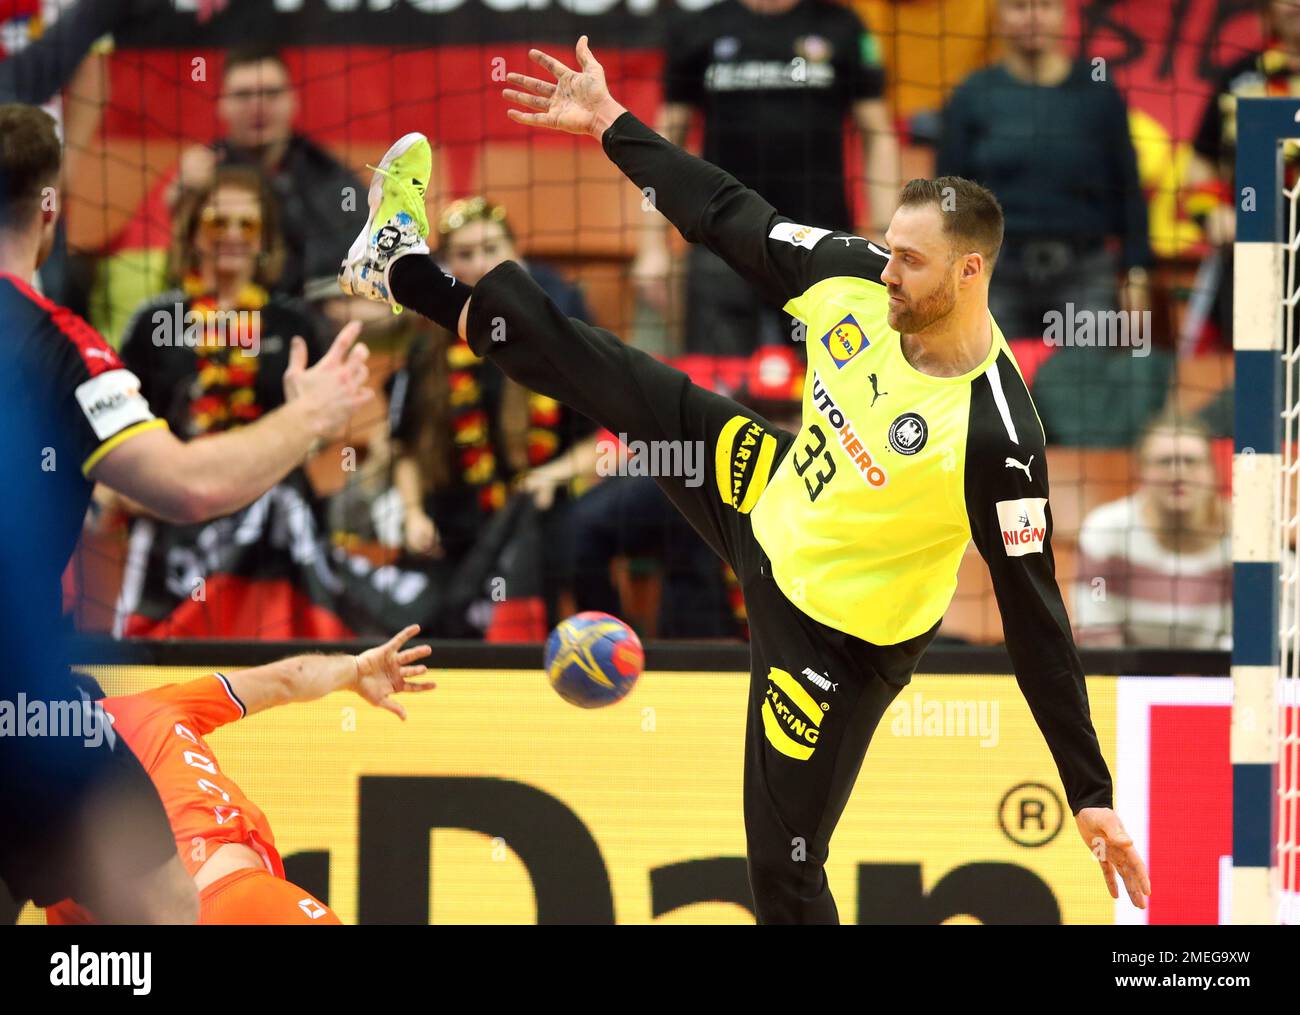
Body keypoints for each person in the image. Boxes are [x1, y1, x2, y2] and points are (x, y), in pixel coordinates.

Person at [336, 38, 1151, 924]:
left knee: (784, 869)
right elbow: (727, 214)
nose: (886, 270)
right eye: (888, 248)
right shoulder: (854, 278)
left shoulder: (998, 434)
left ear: (970, 271)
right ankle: (399, 266)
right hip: (768, 494)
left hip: (837, 638)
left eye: (910, 262)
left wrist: (1088, 787)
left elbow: (1036, 617)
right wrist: (612, 123)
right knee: (603, 369)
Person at [0, 101, 369, 923]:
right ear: (49, 207)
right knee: (168, 913)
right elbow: (188, 484)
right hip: (19, 701)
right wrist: (314, 415)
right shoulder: (62, 344)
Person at [42, 625, 432, 925]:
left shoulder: (45, 799)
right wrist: (355, 668)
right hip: (239, 894)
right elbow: (288, 678)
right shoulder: (153, 706)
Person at [635, 0, 898, 354]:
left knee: (829, 386)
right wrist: (651, 246)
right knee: (718, 392)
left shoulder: (842, 25)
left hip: (819, 245)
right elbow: (665, 141)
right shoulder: (701, 26)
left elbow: (878, 135)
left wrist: (885, 237)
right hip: (722, 242)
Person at [937, 0, 1151, 340]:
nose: (1033, 17)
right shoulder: (972, 94)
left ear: (1064, 16)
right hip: (993, 274)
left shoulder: (1099, 93)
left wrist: (1136, 274)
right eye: (1019, 7)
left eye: (1045, 6)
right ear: (999, 18)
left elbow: (1128, 188)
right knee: (989, 383)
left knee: (1084, 387)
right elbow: (947, 196)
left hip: (1085, 274)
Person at [166, 44, 367, 296]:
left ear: (293, 101)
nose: (258, 106)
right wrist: (182, 201)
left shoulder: (329, 174)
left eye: (270, 93)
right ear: (221, 105)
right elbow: (178, 267)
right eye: (243, 95)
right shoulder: (200, 177)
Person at [1073, 415, 1231, 649]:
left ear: (1211, 471)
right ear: (1141, 470)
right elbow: (1096, 633)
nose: (1178, 473)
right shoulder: (1105, 532)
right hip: (1130, 679)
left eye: (1191, 461)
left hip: (1221, 681)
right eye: (1164, 462)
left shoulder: (1247, 537)